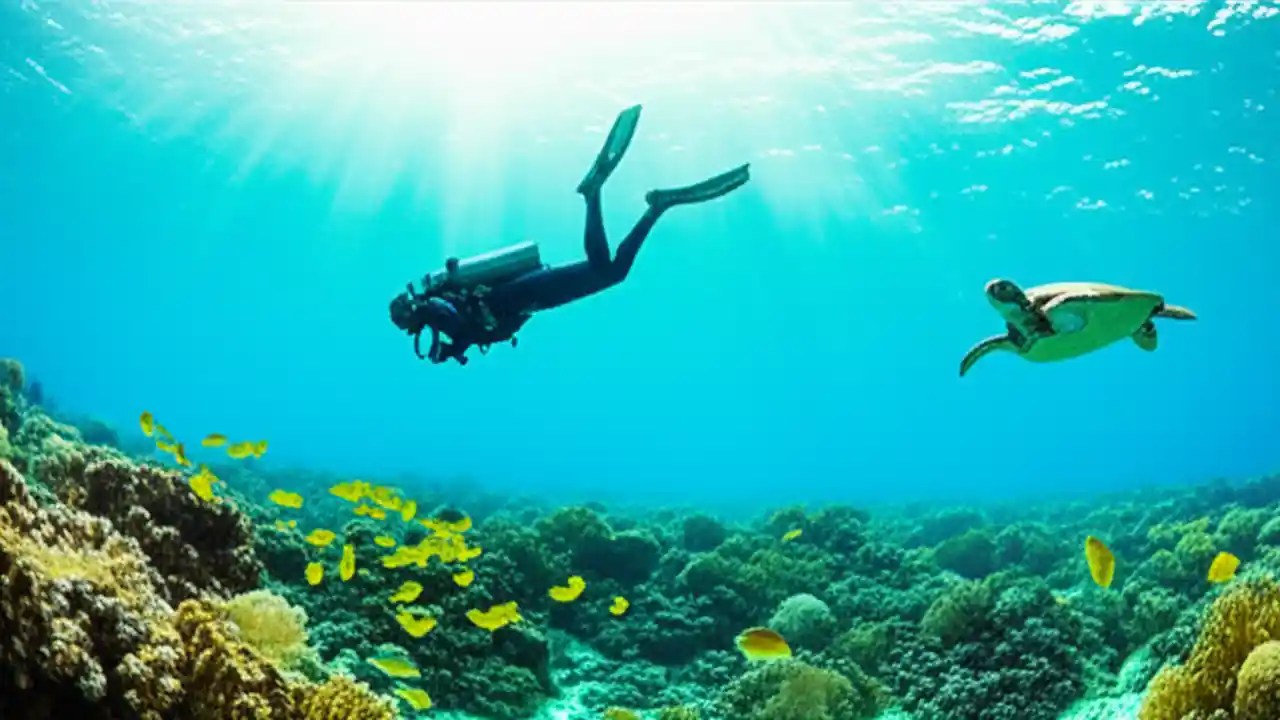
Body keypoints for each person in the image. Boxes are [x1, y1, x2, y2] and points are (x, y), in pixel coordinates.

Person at [389, 104, 751, 365]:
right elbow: (465, 325)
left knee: (604, 271)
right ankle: (658, 206)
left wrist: (452, 349)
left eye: (404, 321)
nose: (408, 326)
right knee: (612, 273)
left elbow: (463, 327)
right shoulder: (433, 307)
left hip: (519, 296)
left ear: (408, 317)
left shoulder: (432, 310)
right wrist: (452, 347)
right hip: (526, 295)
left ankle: (595, 194)